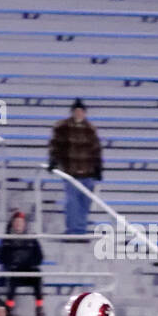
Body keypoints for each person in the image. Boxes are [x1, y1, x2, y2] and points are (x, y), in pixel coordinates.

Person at [48, 99, 103, 236]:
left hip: (87, 172)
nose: (79, 113)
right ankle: (73, 230)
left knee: (85, 203)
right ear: (73, 112)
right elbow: (56, 146)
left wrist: (98, 168)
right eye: (76, 111)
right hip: (71, 172)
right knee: (72, 203)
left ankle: (81, 229)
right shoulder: (63, 127)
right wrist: (53, 161)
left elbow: (96, 150)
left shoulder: (90, 129)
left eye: (81, 111)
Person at [0, 210, 44, 316]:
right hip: (13, 269)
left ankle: (39, 306)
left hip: (28, 269)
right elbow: (1, 257)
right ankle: (9, 306)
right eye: (16, 222)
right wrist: (11, 263)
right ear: (12, 224)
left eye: (21, 222)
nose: (18, 225)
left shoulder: (32, 240)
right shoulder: (6, 240)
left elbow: (39, 257)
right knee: (12, 276)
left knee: (37, 275)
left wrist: (31, 263)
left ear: (24, 224)